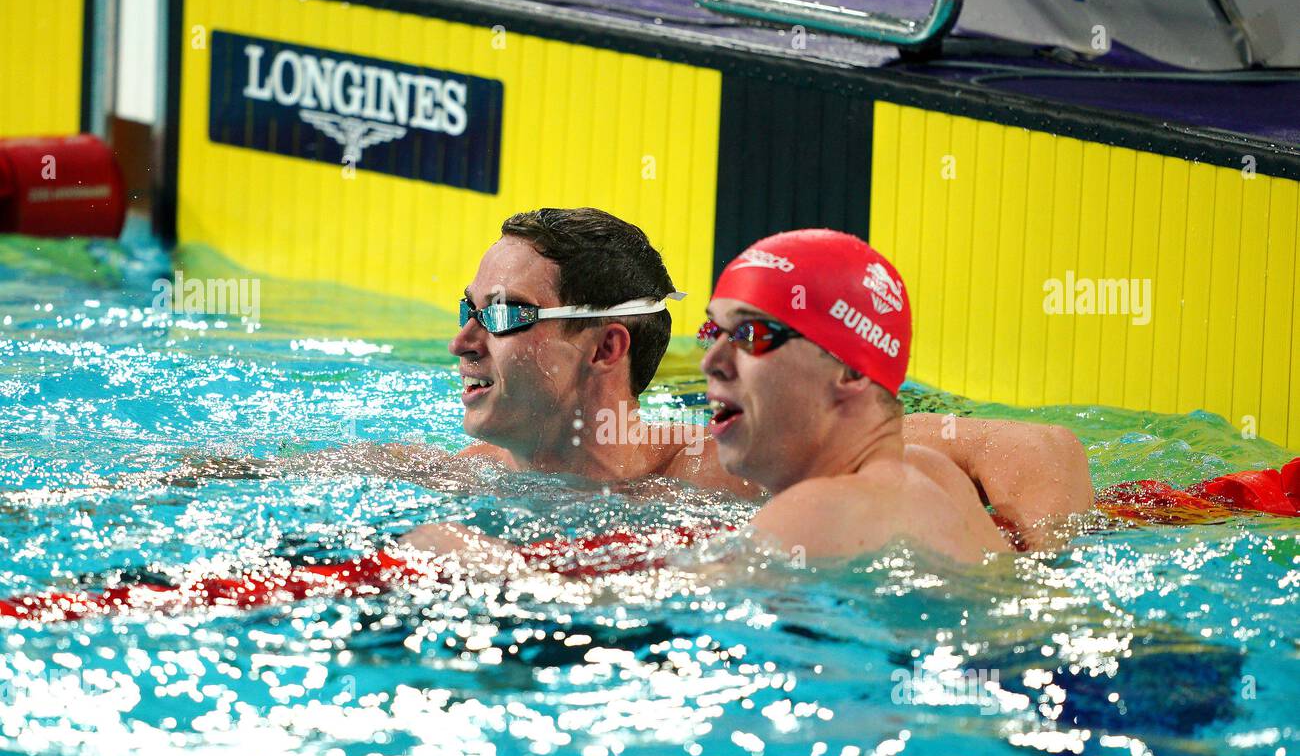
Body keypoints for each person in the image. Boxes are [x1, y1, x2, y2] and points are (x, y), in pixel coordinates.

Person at [402, 217, 1092, 558]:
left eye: (502, 315)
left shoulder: (744, 467)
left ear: (607, 347)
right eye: (468, 311)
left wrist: (1034, 566)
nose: (463, 340)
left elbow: (1041, 445)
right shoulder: (470, 477)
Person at [700, 229, 1011, 563]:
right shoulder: (937, 479)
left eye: (750, 334)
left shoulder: (812, 515)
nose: (711, 362)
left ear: (851, 369)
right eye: (713, 331)